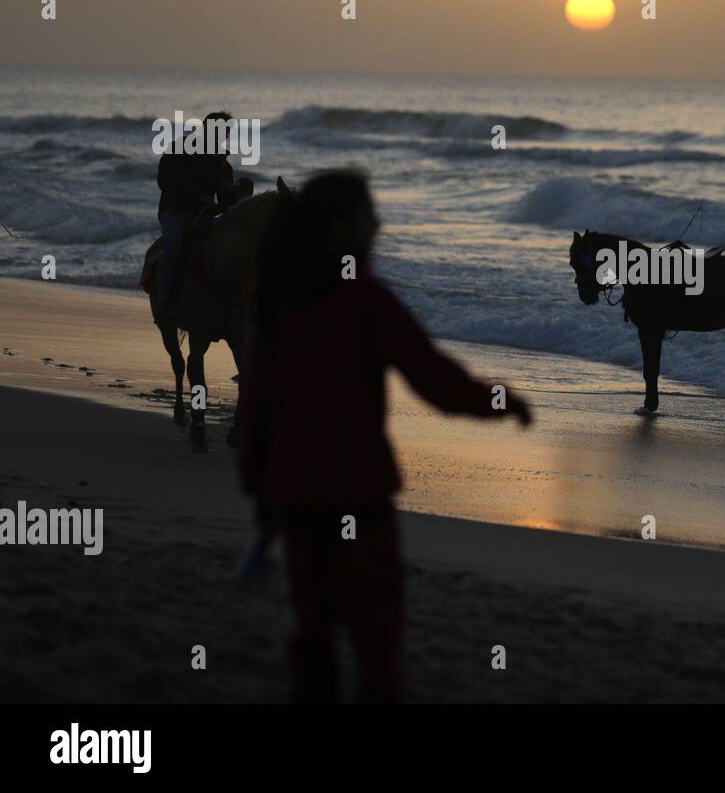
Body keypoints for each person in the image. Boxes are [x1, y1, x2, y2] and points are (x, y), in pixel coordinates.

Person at [238, 171, 531, 702]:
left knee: (313, 629)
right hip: (357, 493)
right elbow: (435, 380)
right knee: (376, 635)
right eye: (367, 215)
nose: (378, 225)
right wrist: (505, 402)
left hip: (294, 496)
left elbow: (256, 405)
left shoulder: (275, 301)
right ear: (339, 228)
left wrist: (258, 489)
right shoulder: (363, 299)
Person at [153, 110, 237, 321]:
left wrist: (235, 194)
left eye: (227, 131)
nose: (224, 135)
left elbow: (226, 203)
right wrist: (196, 199)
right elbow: (165, 181)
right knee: (173, 244)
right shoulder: (179, 149)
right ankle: (164, 305)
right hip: (175, 212)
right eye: (222, 130)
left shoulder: (223, 163)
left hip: (205, 218)